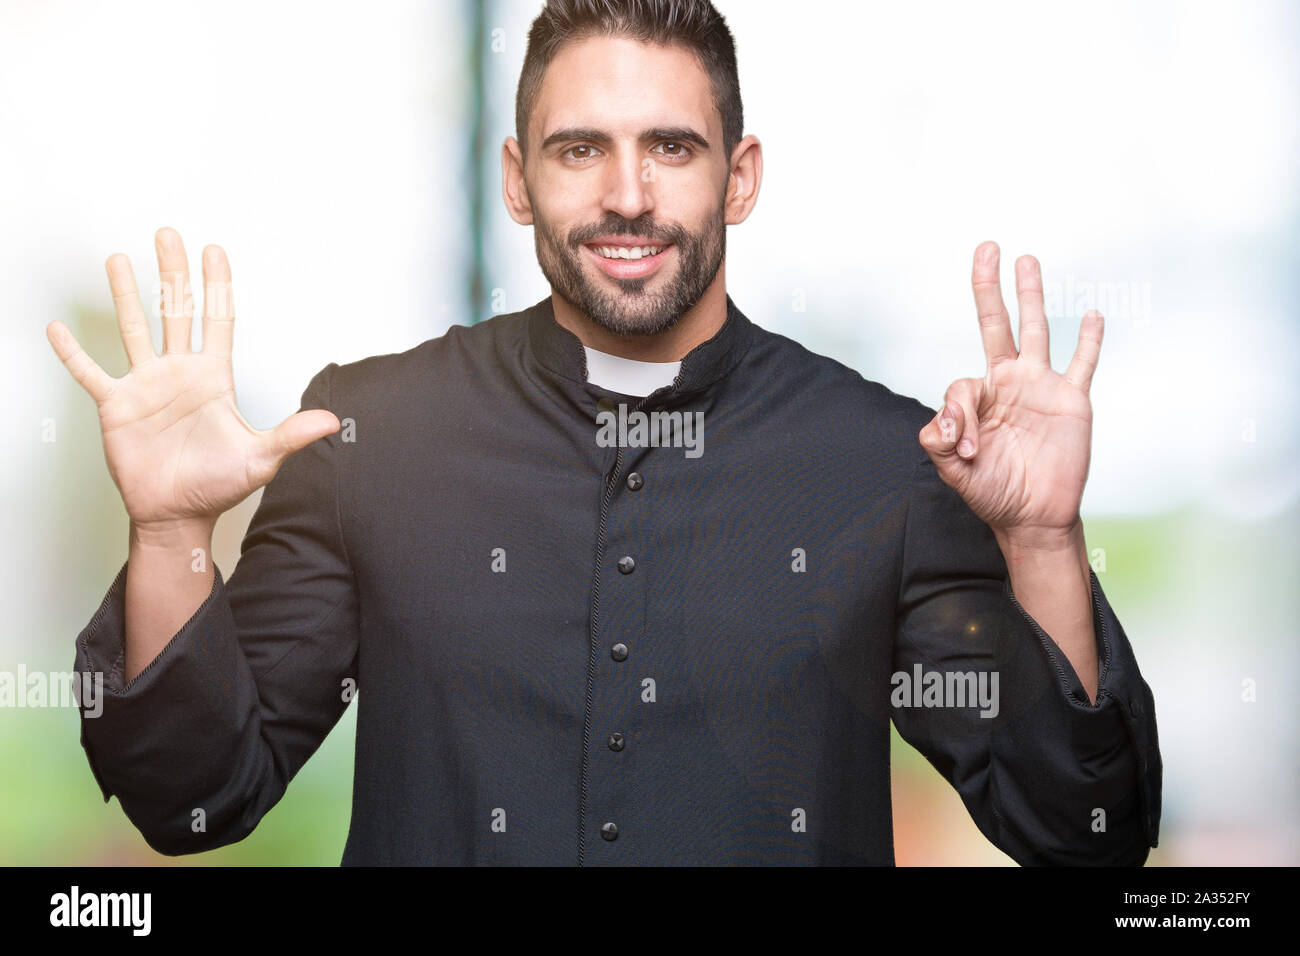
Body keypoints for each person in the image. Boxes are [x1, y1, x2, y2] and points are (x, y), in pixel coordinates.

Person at [48, 0, 1160, 865]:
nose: (628, 194)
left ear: (740, 178)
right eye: (580, 149)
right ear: (517, 180)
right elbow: (193, 799)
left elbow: (1083, 832)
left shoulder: (885, 463)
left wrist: (1043, 545)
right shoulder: (369, 434)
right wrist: (170, 534)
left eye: (671, 147)